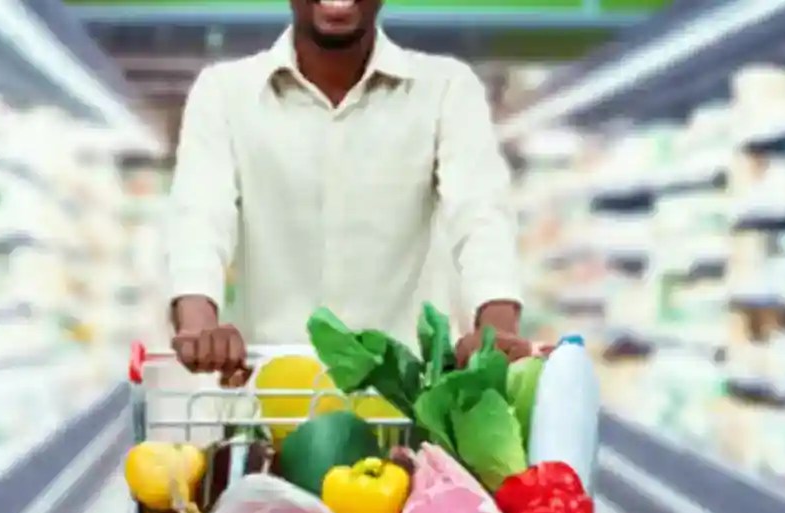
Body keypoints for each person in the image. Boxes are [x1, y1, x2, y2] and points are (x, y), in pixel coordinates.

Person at [164, 0, 528, 386]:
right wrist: (198, 322)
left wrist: (496, 329)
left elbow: (480, 213)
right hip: (268, 396)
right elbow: (200, 215)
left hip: (404, 401)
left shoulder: (447, 89)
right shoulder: (224, 93)